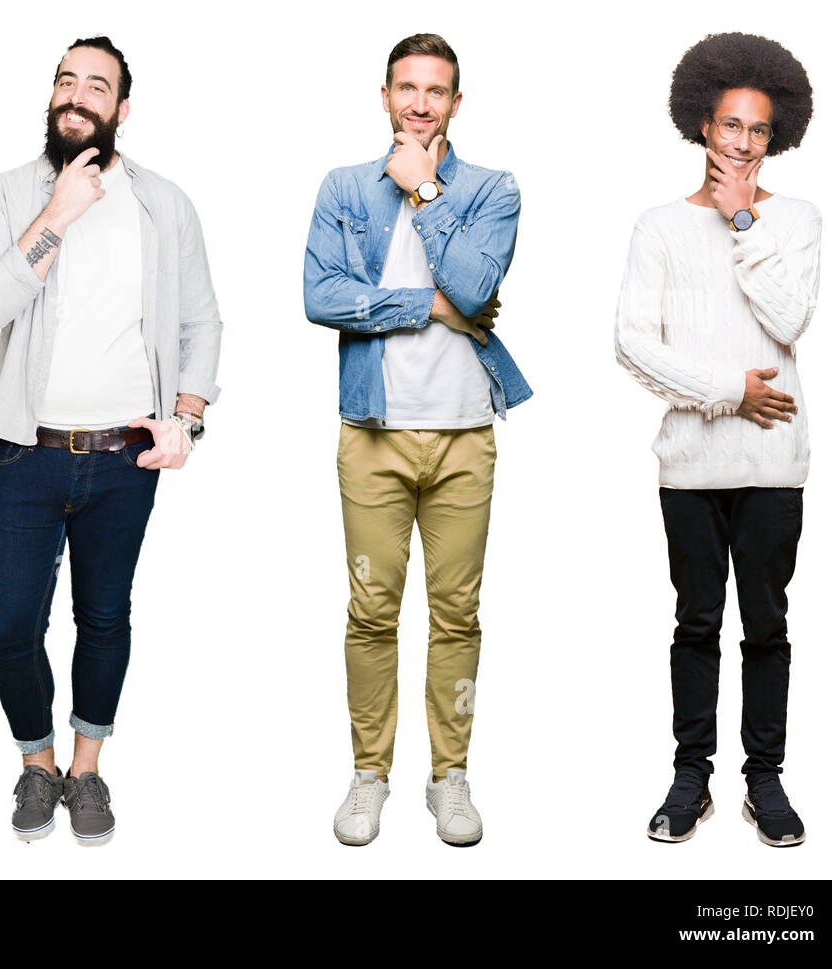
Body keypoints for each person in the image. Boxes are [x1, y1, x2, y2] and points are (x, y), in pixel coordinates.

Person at [0, 36, 222, 845]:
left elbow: (201, 321)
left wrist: (187, 418)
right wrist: (58, 214)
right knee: (9, 624)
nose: (77, 96)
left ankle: (87, 770)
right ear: (52, 97)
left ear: (121, 109)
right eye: (65, 81)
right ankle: (35, 762)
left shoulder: (164, 203)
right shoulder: (9, 194)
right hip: (27, 452)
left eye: (96, 86)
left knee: (104, 615)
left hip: (123, 457)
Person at [303, 32, 531, 847]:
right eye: (407, 88)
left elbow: (476, 283)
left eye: (436, 90)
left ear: (456, 103)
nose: (420, 103)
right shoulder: (342, 188)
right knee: (371, 611)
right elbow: (320, 295)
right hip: (373, 434)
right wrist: (428, 306)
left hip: (465, 433)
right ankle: (369, 775)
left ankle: (450, 776)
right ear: (386, 96)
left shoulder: (492, 190)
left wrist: (426, 190)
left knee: (457, 614)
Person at [614, 32, 818, 847]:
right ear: (702, 124)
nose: (741, 144)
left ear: (777, 137)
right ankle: (689, 775)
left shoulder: (796, 222)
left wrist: (743, 217)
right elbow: (634, 343)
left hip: (775, 463)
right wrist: (730, 391)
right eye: (729, 126)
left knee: (766, 624)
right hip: (690, 467)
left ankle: (763, 780)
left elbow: (788, 319)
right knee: (695, 621)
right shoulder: (658, 226)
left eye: (758, 131)